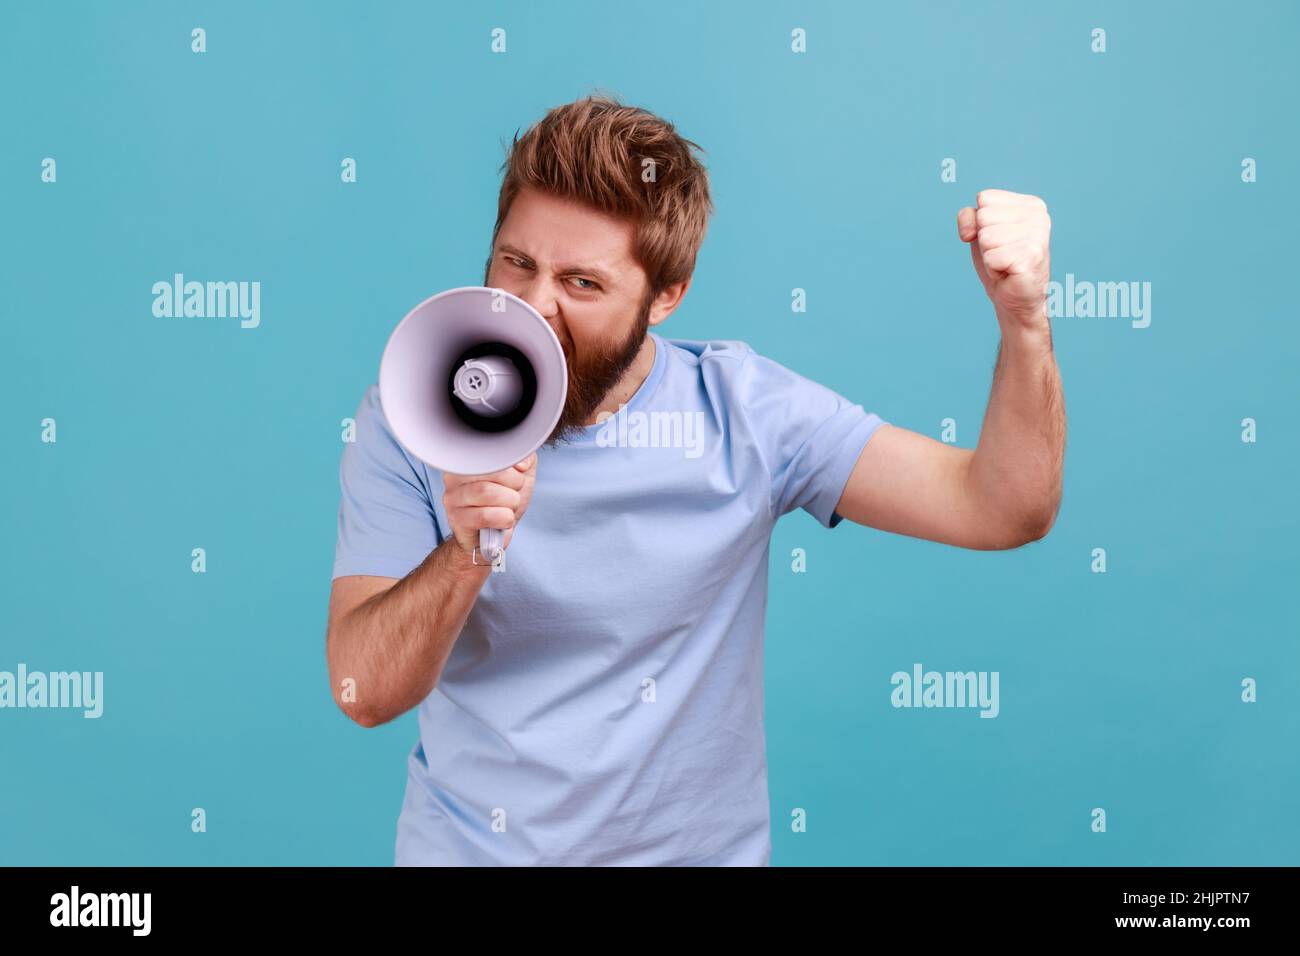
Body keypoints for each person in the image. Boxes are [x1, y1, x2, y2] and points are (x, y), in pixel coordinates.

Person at [326, 94, 1065, 866]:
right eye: (517, 263)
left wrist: (1025, 322)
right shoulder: (411, 414)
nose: (533, 308)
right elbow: (363, 692)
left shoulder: (746, 412)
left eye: (581, 283)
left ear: (666, 296)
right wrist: (468, 550)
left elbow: (1003, 509)